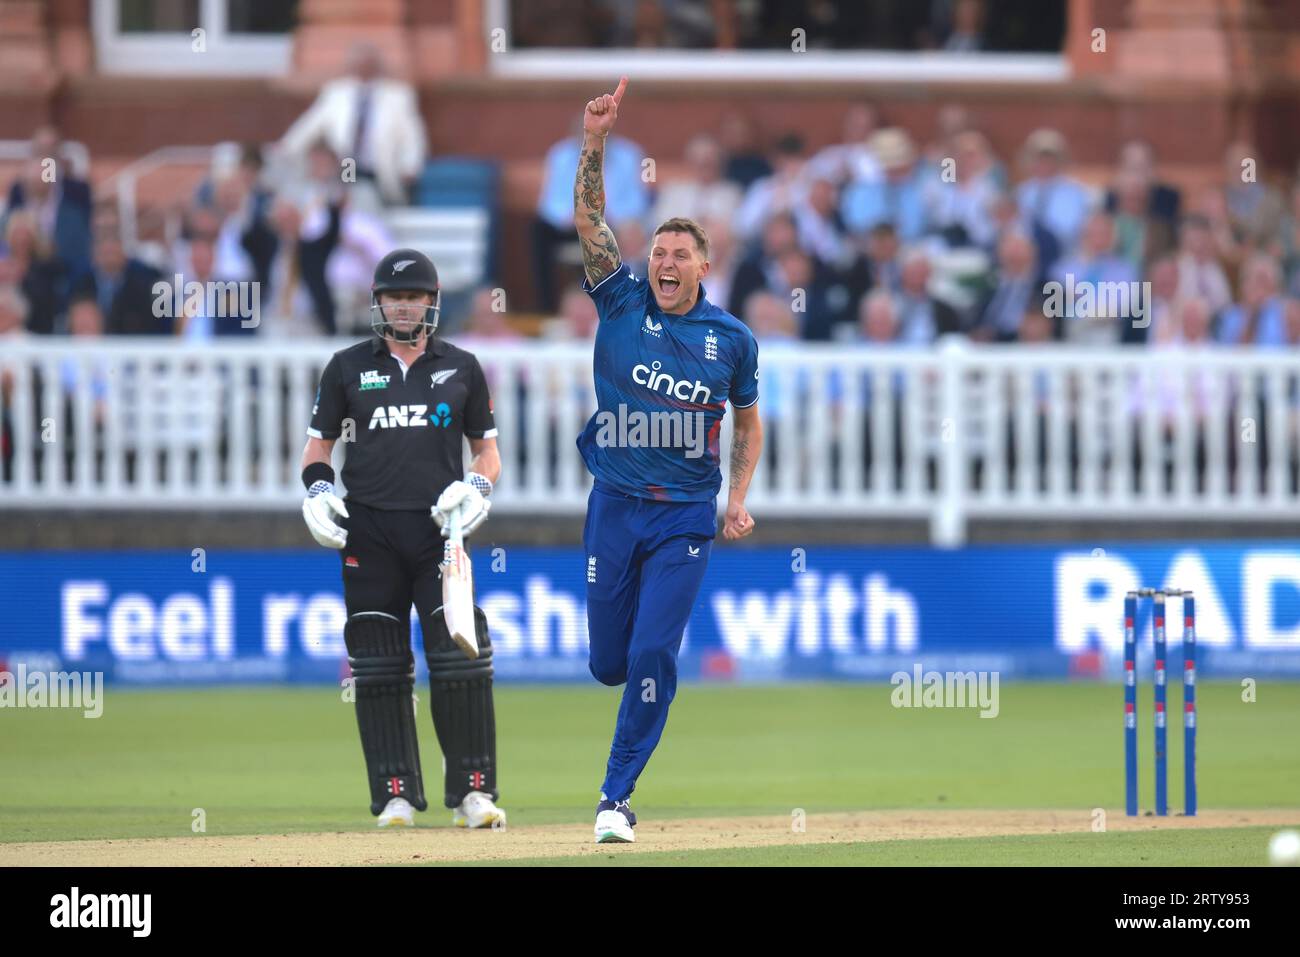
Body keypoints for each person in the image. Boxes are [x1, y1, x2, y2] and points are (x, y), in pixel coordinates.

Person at [572, 78, 763, 844]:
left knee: (654, 652)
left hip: (685, 515)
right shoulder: (621, 301)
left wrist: (738, 497)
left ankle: (615, 796)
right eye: (658, 251)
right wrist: (596, 139)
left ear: (704, 265)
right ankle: (617, 780)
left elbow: (748, 424)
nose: (664, 262)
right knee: (609, 663)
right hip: (614, 505)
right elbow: (588, 217)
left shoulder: (732, 340)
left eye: (680, 253)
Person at [299, 248, 507, 830]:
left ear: (432, 303)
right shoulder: (346, 366)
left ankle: (473, 793)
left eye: (415, 296)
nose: (405, 306)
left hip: (440, 530)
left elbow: (486, 451)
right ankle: (394, 794)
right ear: (378, 302)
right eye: (394, 296)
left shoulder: (462, 366)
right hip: (368, 528)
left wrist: (477, 488)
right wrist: (317, 491)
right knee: (379, 661)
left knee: (461, 656)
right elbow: (319, 448)